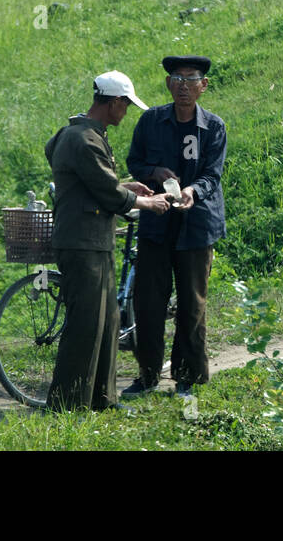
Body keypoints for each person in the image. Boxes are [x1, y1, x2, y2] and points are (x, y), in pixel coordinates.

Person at [44, 70, 171, 411]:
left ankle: (101, 398)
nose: (126, 113)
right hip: (82, 243)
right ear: (113, 102)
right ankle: (68, 405)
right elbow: (107, 193)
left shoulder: (77, 134)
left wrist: (124, 187)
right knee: (86, 323)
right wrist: (148, 202)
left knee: (107, 321)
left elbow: (93, 183)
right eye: (125, 105)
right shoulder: (84, 139)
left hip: (94, 241)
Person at [123, 55, 227, 398]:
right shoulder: (151, 121)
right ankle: (147, 374)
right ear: (168, 84)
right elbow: (135, 162)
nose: (184, 86)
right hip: (157, 220)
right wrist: (155, 173)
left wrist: (192, 191)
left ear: (203, 85)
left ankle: (188, 376)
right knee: (148, 302)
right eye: (177, 79)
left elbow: (213, 174)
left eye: (191, 78)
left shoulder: (214, 127)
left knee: (191, 303)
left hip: (197, 226)